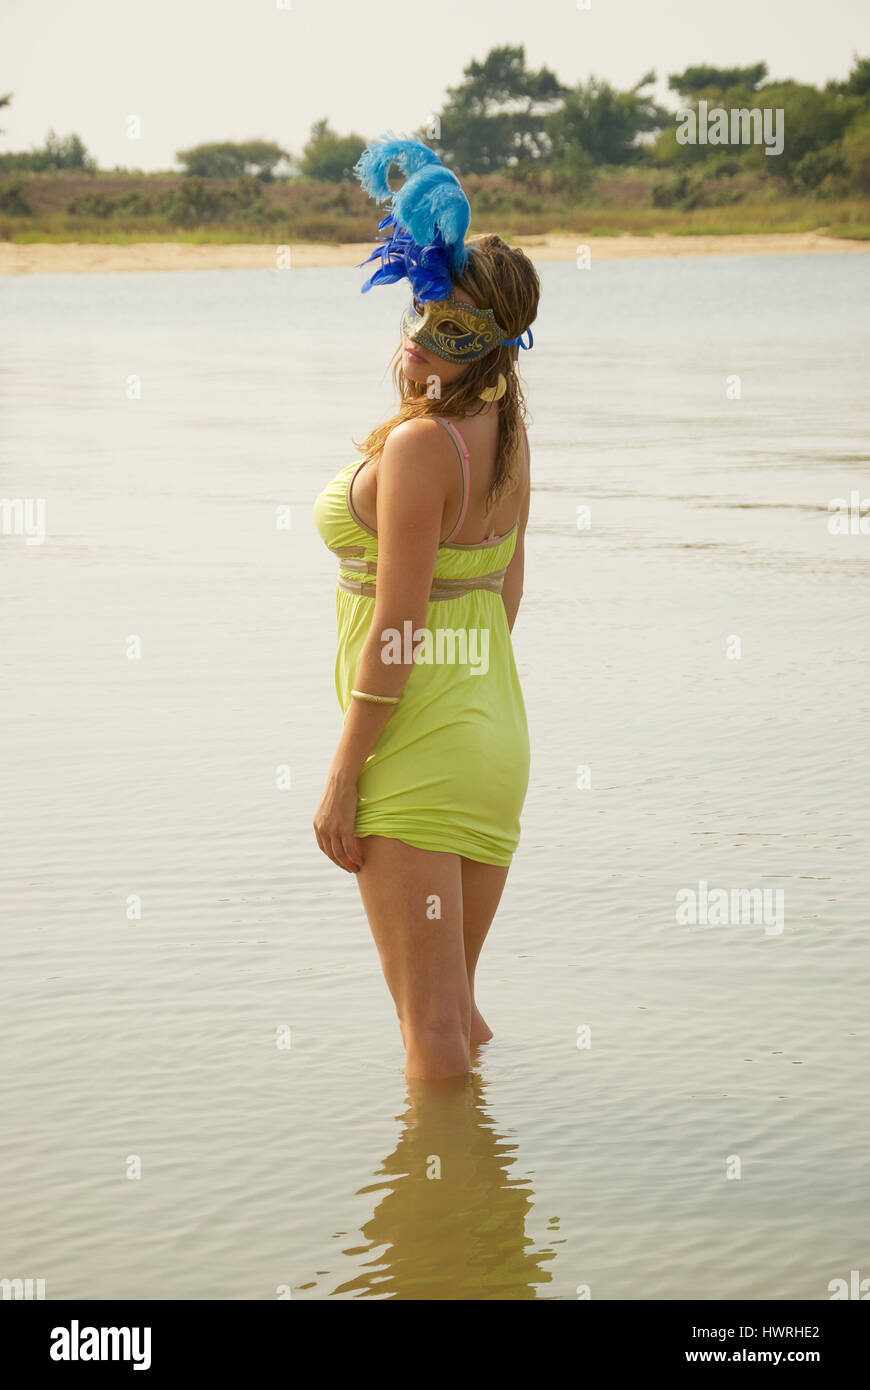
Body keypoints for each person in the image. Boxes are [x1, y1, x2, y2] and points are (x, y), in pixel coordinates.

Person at [312, 135, 540, 1080]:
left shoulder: (418, 451)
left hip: (418, 746)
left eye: (426, 312)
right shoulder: (510, 438)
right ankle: (483, 1211)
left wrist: (342, 776)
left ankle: (437, 1219)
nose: (411, 329)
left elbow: (400, 628)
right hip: (492, 738)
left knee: (430, 1030)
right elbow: (505, 597)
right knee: (453, 1016)